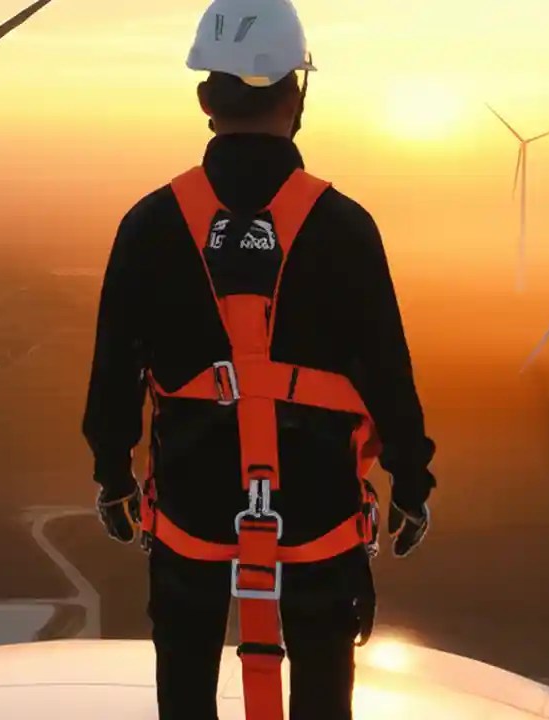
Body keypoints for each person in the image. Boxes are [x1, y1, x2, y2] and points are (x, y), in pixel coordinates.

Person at [80, 1, 437, 718]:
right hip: (318, 511)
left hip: (190, 503)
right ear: (296, 94)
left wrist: (113, 473)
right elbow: (387, 368)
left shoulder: (151, 224)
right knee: (323, 698)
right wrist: (412, 477)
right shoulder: (344, 226)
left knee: (184, 692)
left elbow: (115, 364)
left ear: (206, 96)